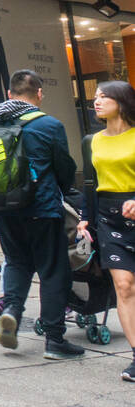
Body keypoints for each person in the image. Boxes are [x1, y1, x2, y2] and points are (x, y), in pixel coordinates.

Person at [0, 70, 84, 360]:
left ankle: (12, 311)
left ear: (9, 95)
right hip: (41, 208)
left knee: (16, 262)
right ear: (39, 94)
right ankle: (55, 340)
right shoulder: (48, 124)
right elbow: (64, 167)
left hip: (4, 208)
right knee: (53, 270)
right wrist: (67, 192)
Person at [78, 81, 135, 381]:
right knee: (124, 286)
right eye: (95, 97)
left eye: (103, 97)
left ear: (122, 101)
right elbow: (90, 181)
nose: (96, 102)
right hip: (109, 219)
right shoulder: (93, 141)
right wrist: (86, 218)